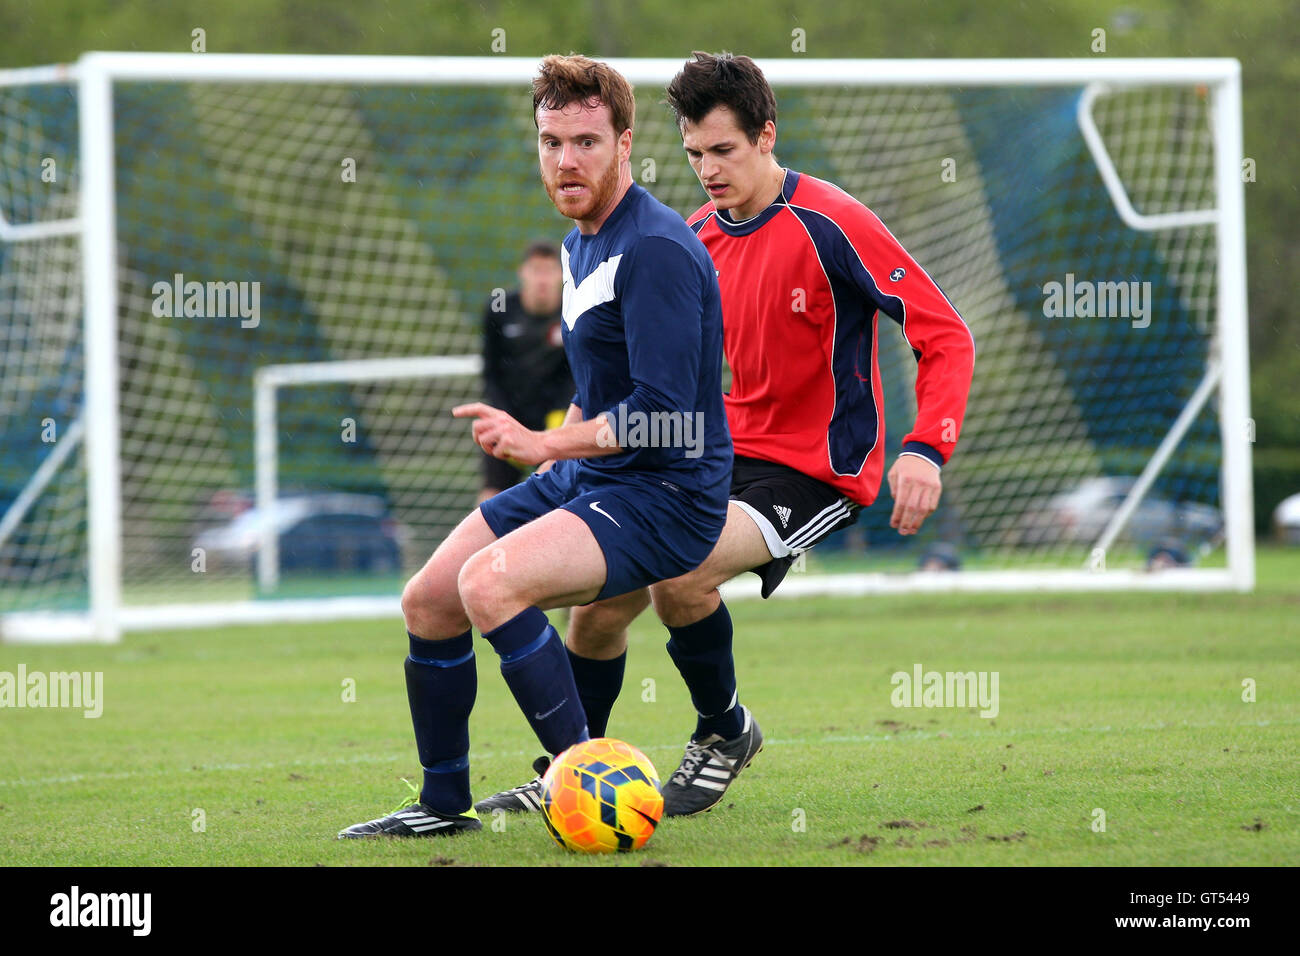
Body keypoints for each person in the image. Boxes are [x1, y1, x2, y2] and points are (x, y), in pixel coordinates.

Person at [477, 51, 976, 818]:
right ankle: (568, 775)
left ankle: (723, 730)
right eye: (693, 155)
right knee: (600, 606)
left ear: (767, 135)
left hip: (815, 471)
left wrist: (925, 448)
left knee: (682, 572)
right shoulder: (691, 239)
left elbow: (945, 335)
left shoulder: (833, 222)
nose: (707, 170)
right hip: (711, 457)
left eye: (724, 151)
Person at [339, 52, 732, 839]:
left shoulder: (654, 249)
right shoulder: (580, 241)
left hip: (666, 495)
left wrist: (541, 443)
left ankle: (594, 786)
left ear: (625, 143)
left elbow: (665, 414)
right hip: (596, 478)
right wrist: (563, 450)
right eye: (551, 141)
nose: (565, 159)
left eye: (585, 141)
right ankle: (443, 805)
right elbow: (602, 388)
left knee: (491, 586)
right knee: (429, 599)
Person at [478, 241, 573, 504]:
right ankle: (477, 545)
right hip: (509, 415)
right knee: (491, 496)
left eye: (549, 270)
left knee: (560, 494)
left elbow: (578, 373)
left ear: (561, 274)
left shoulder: (573, 310)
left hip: (556, 419)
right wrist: (500, 415)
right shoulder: (500, 310)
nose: (542, 278)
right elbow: (490, 372)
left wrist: (561, 418)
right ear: (522, 273)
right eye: (535, 270)